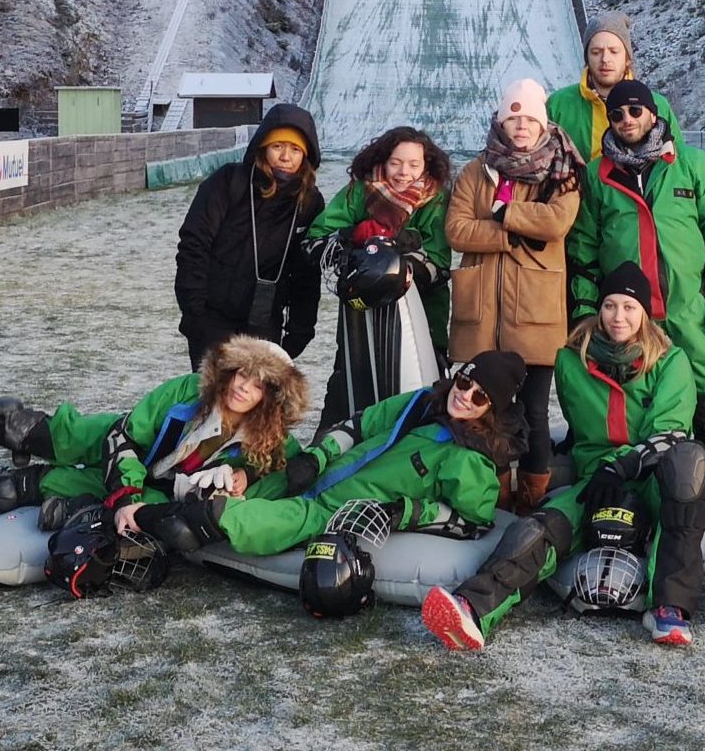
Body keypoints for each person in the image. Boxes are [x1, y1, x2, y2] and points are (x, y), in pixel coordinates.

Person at [423, 263, 705, 650]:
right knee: (537, 528)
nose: (618, 317)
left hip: (652, 475)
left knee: (690, 460)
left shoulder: (670, 361)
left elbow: (672, 432)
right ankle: (472, 607)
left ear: (645, 312)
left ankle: (670, 608)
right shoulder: (572, 361)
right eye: (610, 305)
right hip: (597, 477)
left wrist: (622, 465)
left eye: (629, 307)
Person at [0, 336, 312, 532]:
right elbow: (127, 438)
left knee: (13, 489)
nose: (240, 387)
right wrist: (128, 494)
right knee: (14, 427)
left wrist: (245, 480)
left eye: (255, 384)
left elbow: (285, 475)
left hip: (146, 489)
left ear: (270, 397)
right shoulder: (187, 391)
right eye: (238, 375)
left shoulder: (272, 442)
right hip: (109, 445)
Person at [565, 78, 705, 541]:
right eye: (617, 114)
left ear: (653, 114)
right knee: (643, 405)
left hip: (686, 309)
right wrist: (588, 311)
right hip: (630, 316)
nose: (626, 120)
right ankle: (645, 491)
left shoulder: (691, 165)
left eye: (635, 111)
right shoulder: (598, 173)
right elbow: (585, 249)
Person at [135, 351, 526, 557]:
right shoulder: (423, 403)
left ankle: (153, 519)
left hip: (334, 509)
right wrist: (316, 458)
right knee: (243, 476)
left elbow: (472, 520)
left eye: (480, 397)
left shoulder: (469, 460)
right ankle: (144, 500)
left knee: (228, 516)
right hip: (316, 476)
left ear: (492, 411)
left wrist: (403, 512)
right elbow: (358, 426)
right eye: (464, 381)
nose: (465, 395)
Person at [444, 78, 584, 513]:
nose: (520, 126)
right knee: (488, 413)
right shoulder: (475, 171)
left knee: (536, 412)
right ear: (500, 121)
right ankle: (496, 494)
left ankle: (533, 495)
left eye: (528, 119)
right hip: (483, 314)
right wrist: (509, 235)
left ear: (543, 123)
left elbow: (556, 224)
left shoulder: (560, 172)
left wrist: (506, 212)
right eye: (512, 117)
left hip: (535, 313)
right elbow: (457, 229)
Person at [304, 127, 453, 428]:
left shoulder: (436, 199)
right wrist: (351, 241)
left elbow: (439, 260)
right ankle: (331, 442)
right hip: (361, 308)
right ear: (383, 161)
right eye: (396, 162)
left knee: (424, 383)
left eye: (413, 164)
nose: (403, 172)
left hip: (422, 310)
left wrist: (396, 263)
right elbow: (315, 239)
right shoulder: (360, 192)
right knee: (349, 376)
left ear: (426, 165)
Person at [175, 103, 325, 369]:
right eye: (278, 146)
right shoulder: (228, 182)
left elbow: (306, 271)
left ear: (306, 155)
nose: (285, 156)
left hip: (265, 321)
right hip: (213, 317)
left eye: (295, 149)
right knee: (214, 401)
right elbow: (194, 245)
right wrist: (194, 312)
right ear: (263, 147)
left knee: (254, 402)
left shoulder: (310, 203)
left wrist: (301, 328)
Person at [545, 12, 680, 162]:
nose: (605, 59)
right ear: (586, 58)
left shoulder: (656, 104)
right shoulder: (558, 105)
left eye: (614, 51)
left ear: (627, 58)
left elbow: (678, 163)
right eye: (596, 52)